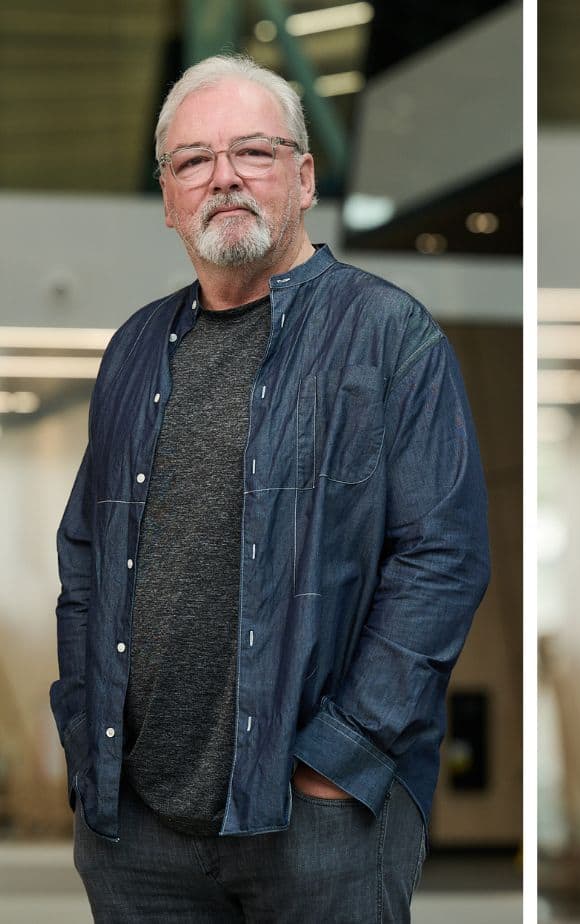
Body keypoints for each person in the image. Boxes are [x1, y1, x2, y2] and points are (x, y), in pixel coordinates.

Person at [51, 54, 490, 921]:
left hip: (319, 821)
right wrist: (84, 734)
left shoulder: (389, 335)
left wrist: (341, 756)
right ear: (170, 196)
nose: (224, 178)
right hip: (137, 828)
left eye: (253, 152)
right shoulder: (134, 348)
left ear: (304, 175)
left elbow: (441, 560)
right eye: (193, 160)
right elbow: (85, 562)